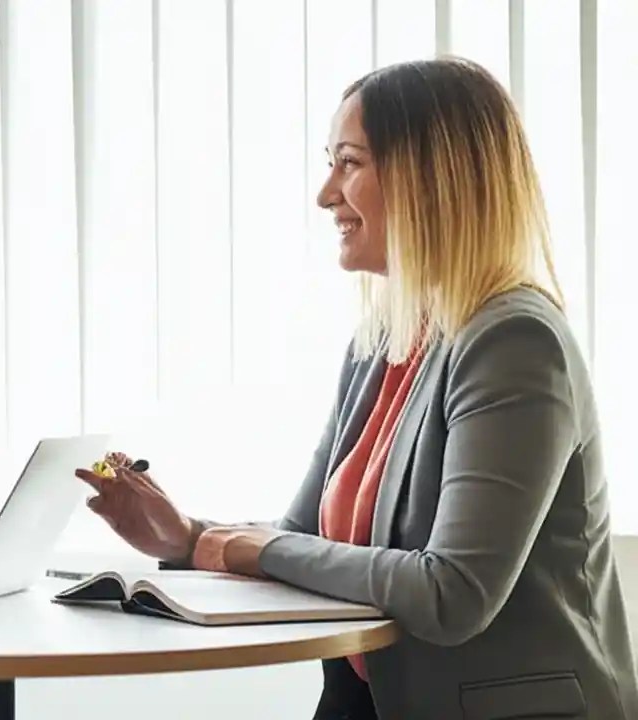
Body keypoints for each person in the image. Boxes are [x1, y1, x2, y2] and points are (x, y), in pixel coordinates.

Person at [78, 57, 638, 720]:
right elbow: (301, 538)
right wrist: (187, 535)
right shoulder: (381, 343)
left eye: (349, 163)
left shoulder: (514, 343)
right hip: (365, 703)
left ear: (432, 177)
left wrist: (248, 548)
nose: (325, 194)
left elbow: (452, 593)